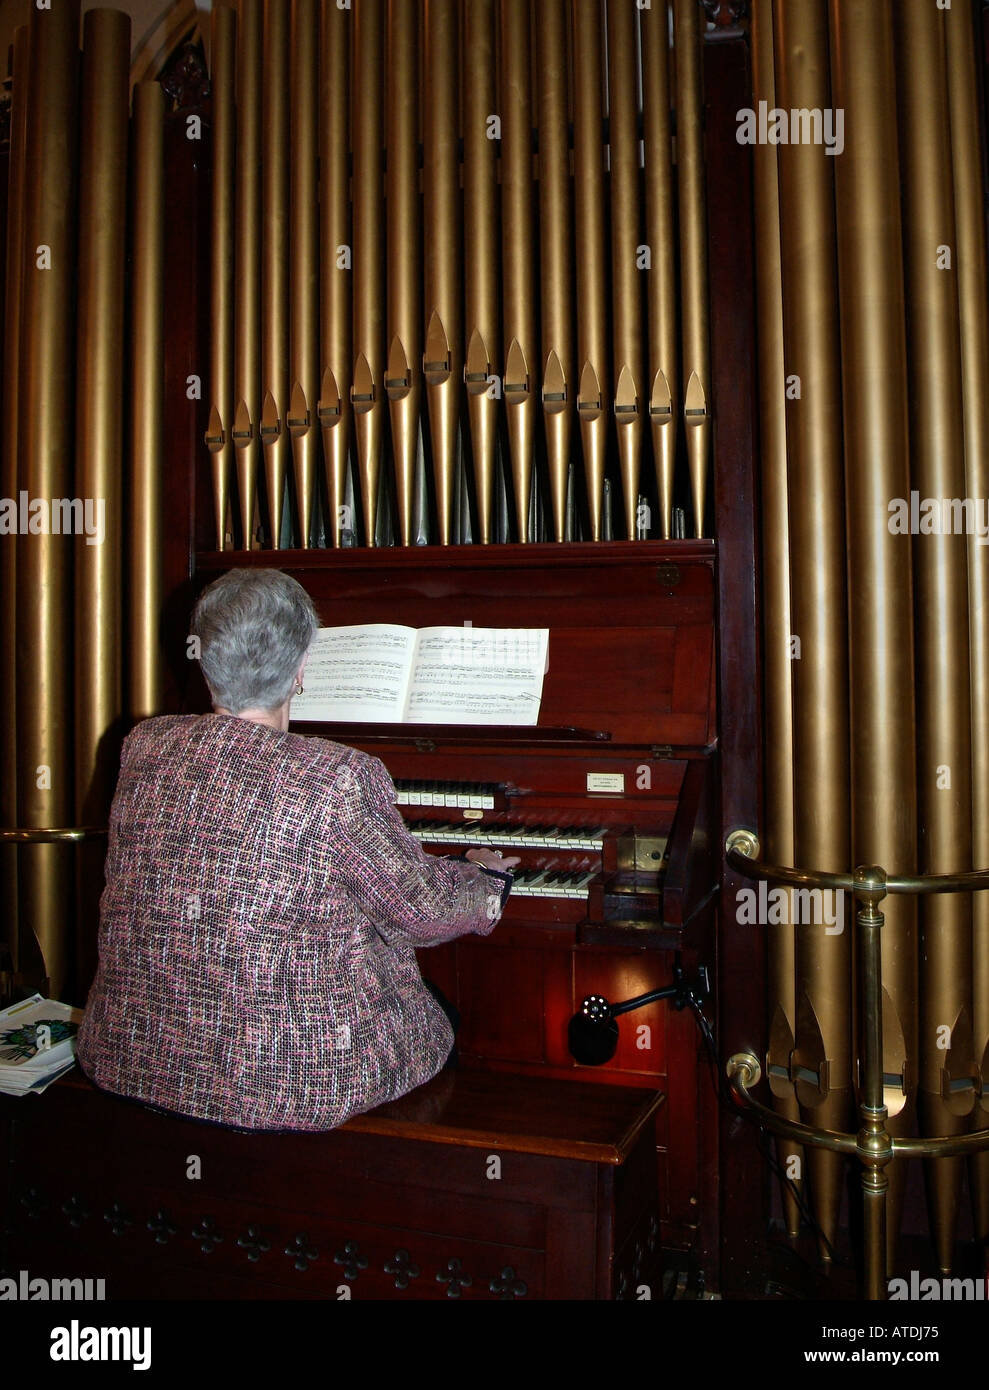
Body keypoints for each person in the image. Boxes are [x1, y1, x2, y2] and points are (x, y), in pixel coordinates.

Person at [76, 568, 519, 1132]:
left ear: (205, 659)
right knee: (445, 1017)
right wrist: (484, 884)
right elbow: (422, 914)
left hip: (135, 1056)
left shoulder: (144, 747)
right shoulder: (335, 776)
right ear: (302, 668)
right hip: (291, 1078)